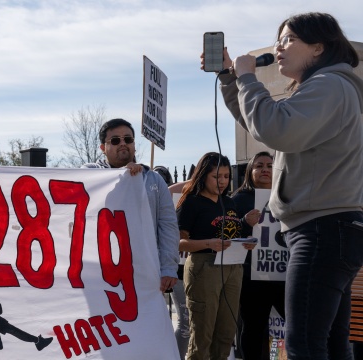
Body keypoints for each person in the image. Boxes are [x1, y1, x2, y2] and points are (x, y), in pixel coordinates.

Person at [216, 12, 363, 359]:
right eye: (279, 39)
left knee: (306, 345)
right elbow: (261, 123)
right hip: (331, 229)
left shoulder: (328, 85)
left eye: (289, 39)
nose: (279, 47)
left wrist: (249, 77)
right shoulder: (327, 87)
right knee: (328, 343)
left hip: (321, 230)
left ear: (318, 47)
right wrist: (230, 79)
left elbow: (274, 128)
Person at [82, 118, 180, 295]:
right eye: (115, 140)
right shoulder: (89, 173)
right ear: (103, 148)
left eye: (128, 139)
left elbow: (168, 226)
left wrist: (168, 268)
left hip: (145, 269)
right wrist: (122, 176)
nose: (122, 144)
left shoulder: (153, 180)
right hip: (100, 272)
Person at [176, 152, 256, 360]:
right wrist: (208, 244)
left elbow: (233, 235)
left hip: (232, 268)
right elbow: (178, 243)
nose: (222, 181)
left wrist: (244, 242)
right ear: (203, 175)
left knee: (226, 334)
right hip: (204, 267)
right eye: (216, 176)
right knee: (202, 335)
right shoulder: (191, 202)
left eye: (226, 176)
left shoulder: (229, 203)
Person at [232, 151, 285, 360]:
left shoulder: (288, 196)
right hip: (252, 277)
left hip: (284, 275)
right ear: (249, 171)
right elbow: (227, 235)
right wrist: (244, 224)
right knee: (253, 328)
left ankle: (279, 357)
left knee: (286, 326)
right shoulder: (238, 200)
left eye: (270, 166)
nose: (265, 169)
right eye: (259, 166)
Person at [154, 165, 189, 359]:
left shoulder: (180, 200)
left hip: (179, 268)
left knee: (186, 322)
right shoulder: (151, 200)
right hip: (154, 269)